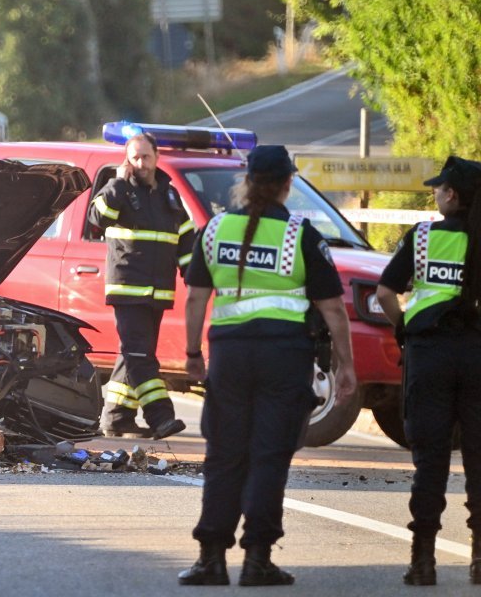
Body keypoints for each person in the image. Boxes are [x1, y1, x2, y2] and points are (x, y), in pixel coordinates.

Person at [178, 144, 356, 587]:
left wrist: (192, 355)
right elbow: (334, 310)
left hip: (231, 358)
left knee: (224, 456)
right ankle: (258, 559)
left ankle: (211, 560)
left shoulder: (215, 229)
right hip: (284, 358)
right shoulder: (302, 235)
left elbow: (197, 298)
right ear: (287, 185)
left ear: (246, 181)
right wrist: (347, 367)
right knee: (269, 456)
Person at [375, 155, 481, 586]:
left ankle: (423, 562)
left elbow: (385, 293)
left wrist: (405, 329)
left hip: (429, 356)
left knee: (431, 461)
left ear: (451, 195)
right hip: (477, 357)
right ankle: (479, 561)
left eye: (438, 187)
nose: (434, 192)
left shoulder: (421, 238)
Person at [88, 130, 192, 440]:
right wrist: (119, 182)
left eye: (146, 156)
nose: (141, 163)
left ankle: (117, 417)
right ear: (127, 160)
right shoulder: (118, 189)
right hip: (128, 291)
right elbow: (97, 218)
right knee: (140, 356)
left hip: (159, 292)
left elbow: (186, 238)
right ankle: (161, 416)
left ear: (157, 157)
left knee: (133, 353)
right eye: (135, 157)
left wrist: (194, 274)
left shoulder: (168, 194)